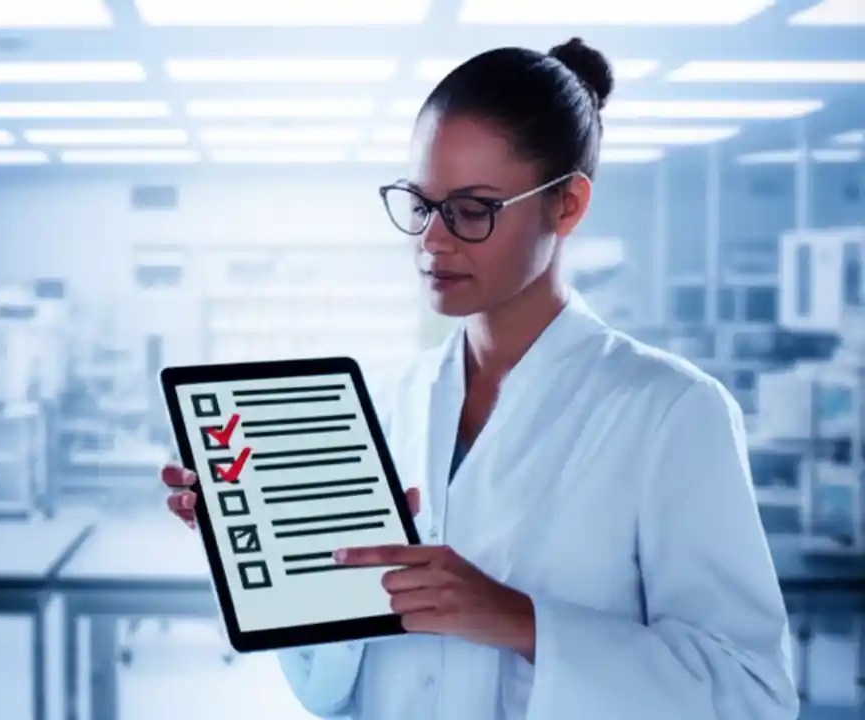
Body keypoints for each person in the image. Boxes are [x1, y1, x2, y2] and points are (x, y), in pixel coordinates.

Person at [159, 38, 798, 719]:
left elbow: (751, 695)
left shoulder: (671, 412)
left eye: (472, 208)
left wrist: (521, 622)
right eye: (421, 203)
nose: (434, 239)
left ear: (568, 206)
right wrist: (271, 561)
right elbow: (328, 689)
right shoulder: (384, 404)